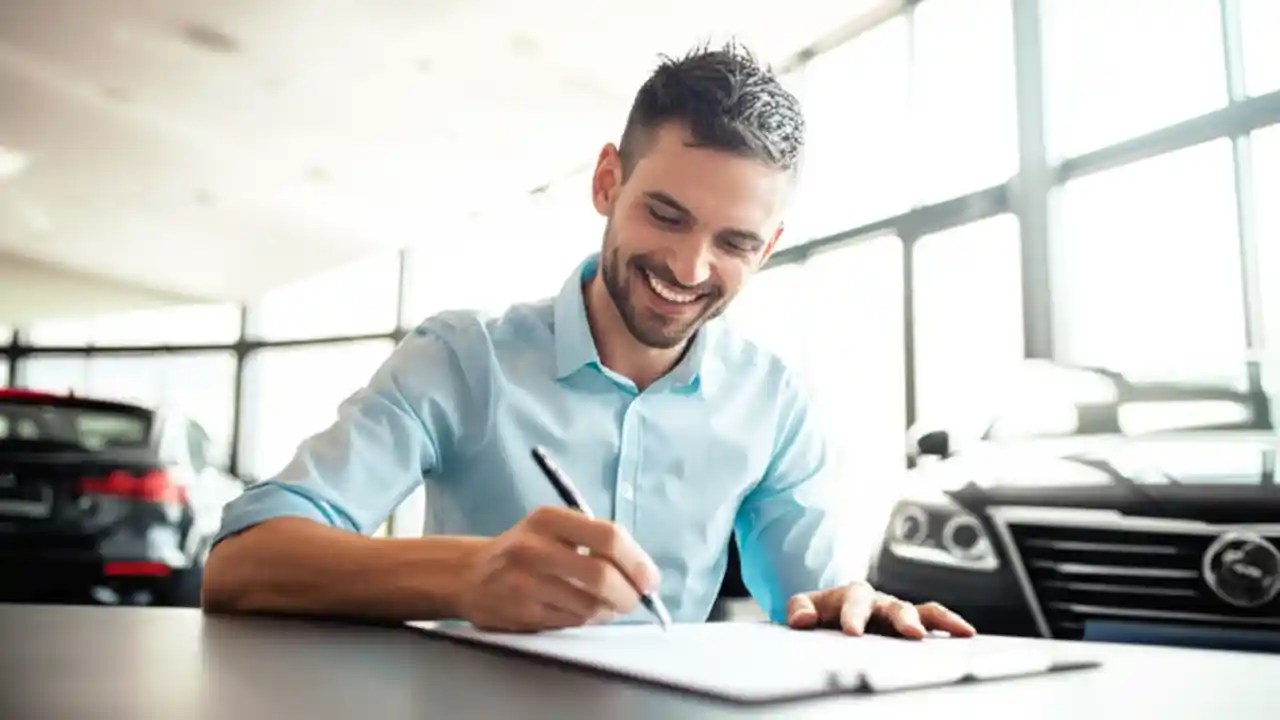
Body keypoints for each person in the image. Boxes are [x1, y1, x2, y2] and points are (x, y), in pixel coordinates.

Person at [203, 43, 976, 640]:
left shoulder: (773, 403)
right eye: (666, 216)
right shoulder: (464, 361)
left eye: (734, 242)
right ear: (608, 181)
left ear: (767, 248)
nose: (688, 266)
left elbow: (810, 603)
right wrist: (467, 574)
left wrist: (853, 610)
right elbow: (242, 563)